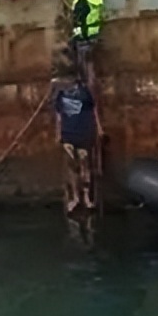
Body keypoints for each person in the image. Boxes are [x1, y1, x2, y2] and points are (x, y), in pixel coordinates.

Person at [52, 57, 97, 213]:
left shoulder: (84, 93)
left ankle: (86, 198)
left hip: (83, 132)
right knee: (72, 167)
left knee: (84, 166)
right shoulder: (60, 95)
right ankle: (76, 198)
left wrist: (98, 129)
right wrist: (58, 134)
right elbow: (58, 115)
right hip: (68, 134)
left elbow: (93, 111)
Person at [68, 0, 104, 73]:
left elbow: (79, 20)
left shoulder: (81, 1)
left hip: (84, 36)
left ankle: (84, 84)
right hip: (96, 32)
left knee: (84, 66)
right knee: (95, 63)